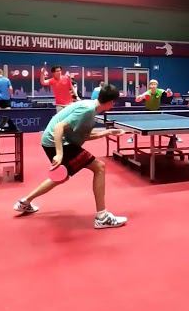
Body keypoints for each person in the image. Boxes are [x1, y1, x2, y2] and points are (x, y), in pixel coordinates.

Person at [12, 85, 129, 229]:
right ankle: (102, 217)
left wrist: (108, 132)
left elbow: (84, 137)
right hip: (56, 141)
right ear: (111, 102)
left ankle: (24, 202)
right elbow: (59, 127)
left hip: (54, 141)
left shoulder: (90, 108)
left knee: (61, 177)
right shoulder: (87, 111)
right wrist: (59, 153)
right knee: (99, 167)